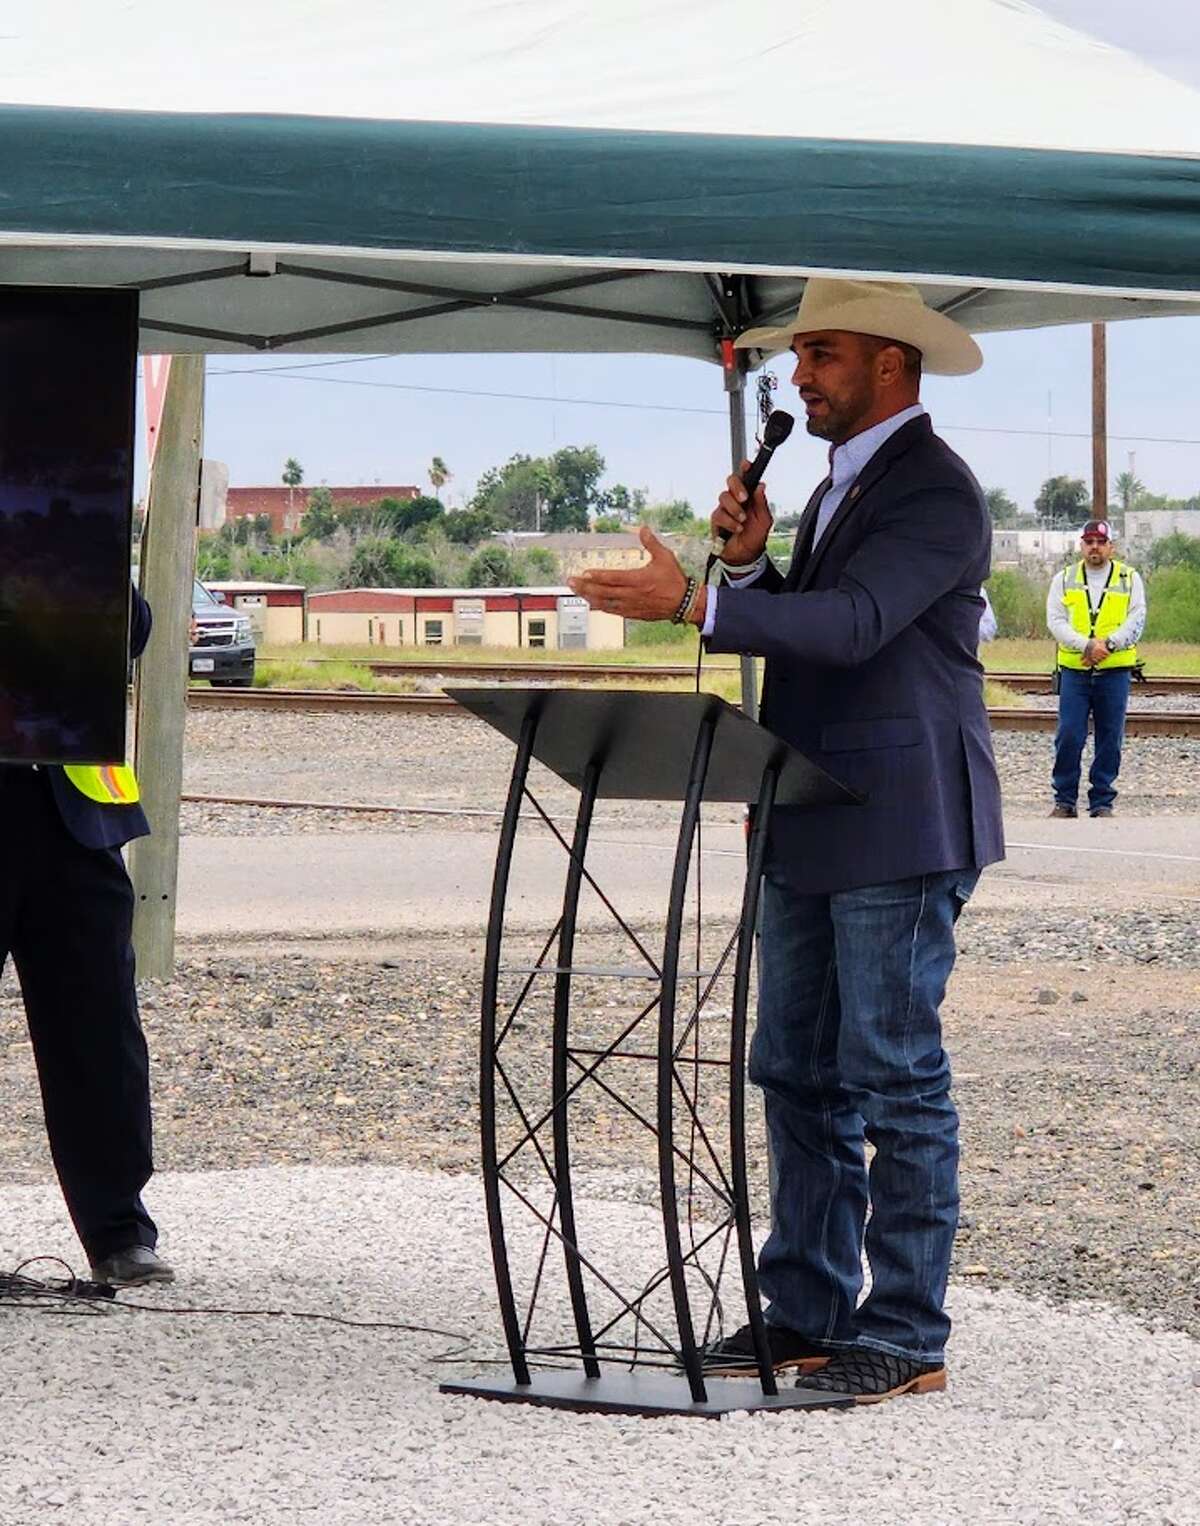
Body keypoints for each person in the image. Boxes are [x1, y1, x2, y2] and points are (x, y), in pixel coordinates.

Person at [568, 278, 1003, 1404]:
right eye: (799, 354)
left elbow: (857, 628)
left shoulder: (936, 494)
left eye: (822, 353)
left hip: (899, 824)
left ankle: (904, 1327)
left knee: (892, 1074)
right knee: (793, 1069)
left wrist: (700, 606)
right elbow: (821, 623)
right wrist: (757, 567)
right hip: (811, 807)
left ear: (893, 364)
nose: (799, 374)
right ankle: (808, 1308)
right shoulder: (844, 483)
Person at [0, 585, 173, 1286]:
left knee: (100, 1031)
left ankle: (119, 1231)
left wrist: (87, 570)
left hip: (70, 818)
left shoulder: (57, 508)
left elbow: (130, 631)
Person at [1046, 520, 1145, 819]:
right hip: (1075, 670)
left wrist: (1108, 646)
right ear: (1081, 545)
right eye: (1089, 541)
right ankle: (1064, 800)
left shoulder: (1130, 578)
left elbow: (1136, 619)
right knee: (1069, 734)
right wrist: (1086, 646)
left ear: (1111, 546)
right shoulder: (1064, 579)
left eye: (1100, 542)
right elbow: (1056, 621)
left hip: (1114, 670)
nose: (1094, 547)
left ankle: (1102, 801)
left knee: (1109, 736)